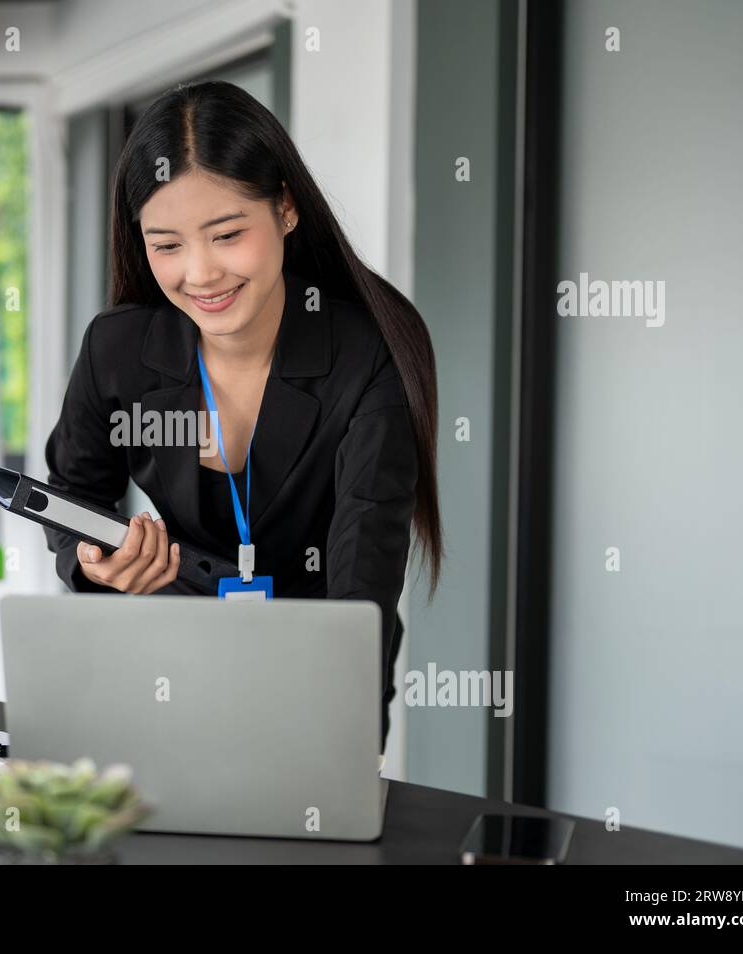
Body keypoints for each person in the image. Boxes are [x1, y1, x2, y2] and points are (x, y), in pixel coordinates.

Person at [43, 80, 442, 751]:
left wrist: (327, 716)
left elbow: (363, 570)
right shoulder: (120, 348)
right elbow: (71, 496)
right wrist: (95, 560)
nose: (200, 274)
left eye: (227, 234)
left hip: (320, 661)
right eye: (166, 245)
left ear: (285, 208)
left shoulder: (369, 352)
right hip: (163, 653)